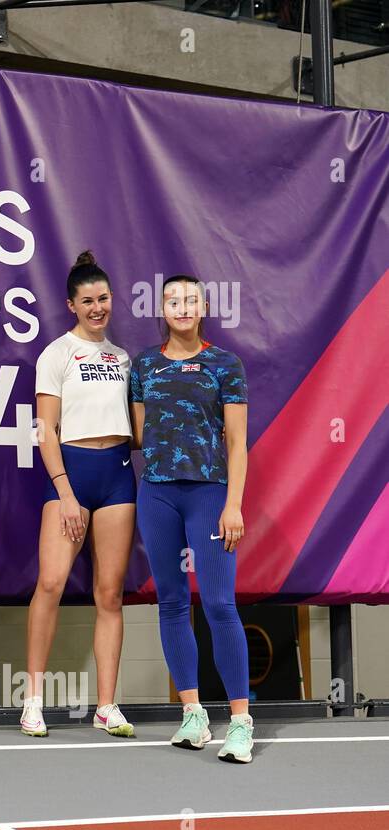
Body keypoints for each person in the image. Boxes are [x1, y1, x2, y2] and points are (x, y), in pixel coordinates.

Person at [130, 275, 254, 763]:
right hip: (157, 494)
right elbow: (141, 434)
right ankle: (193, 714)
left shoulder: (226, 365)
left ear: (203, 307)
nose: (181, 306)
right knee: (171, 604)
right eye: (172, 300)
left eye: (190, 300)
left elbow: (237, 442)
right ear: (161, 308)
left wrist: (234, 503)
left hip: (209, 494)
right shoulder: (143, 365)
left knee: (220, 604)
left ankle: (241, 722)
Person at [22, 250, 136, 738]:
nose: (97, 308)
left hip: (118, 475)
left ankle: (107, 706)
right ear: (71, 304)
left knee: (109, 594)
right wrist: (66, 493)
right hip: (71, 473)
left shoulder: (124, 357)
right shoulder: (56, 354)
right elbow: (44, 430)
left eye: (104, 299)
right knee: (50, 583)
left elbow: (137, 427)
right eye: (88, 301)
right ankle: (32, 702)